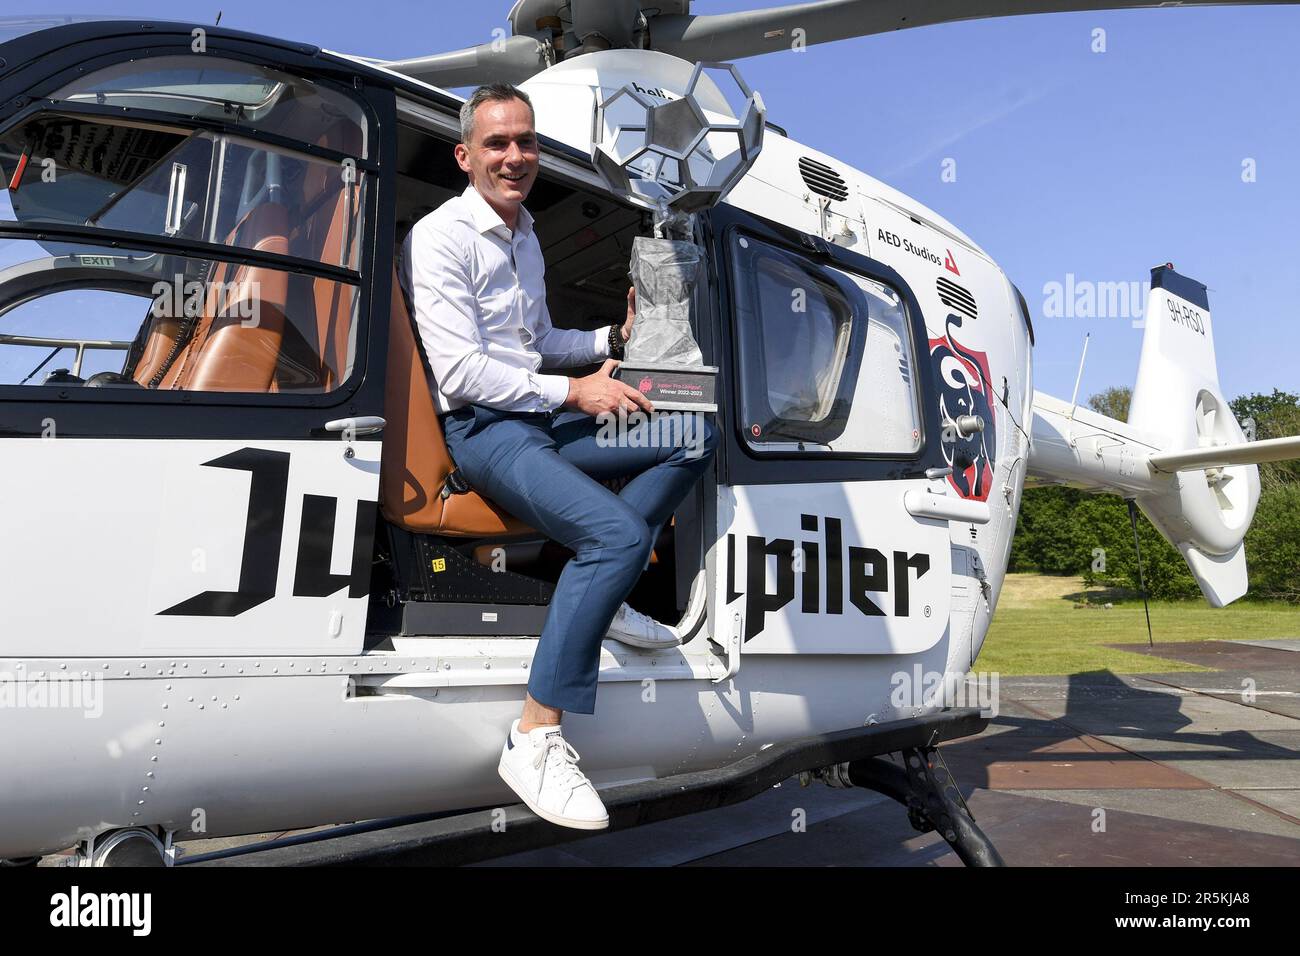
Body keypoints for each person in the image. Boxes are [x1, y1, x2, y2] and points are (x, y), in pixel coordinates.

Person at [400, 83, 719, 830]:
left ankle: (601, 597)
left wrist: (611, 341)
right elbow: (463, 372)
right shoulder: (442, 237)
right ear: (465, 155)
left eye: (526, 142)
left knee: (691, 434)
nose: (515, 157)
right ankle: (536, 733)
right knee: (614, 535)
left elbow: (538, 341)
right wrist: (576, 395)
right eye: (497, 144)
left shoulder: (528, 233)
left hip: (537, 414)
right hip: (487, 430)